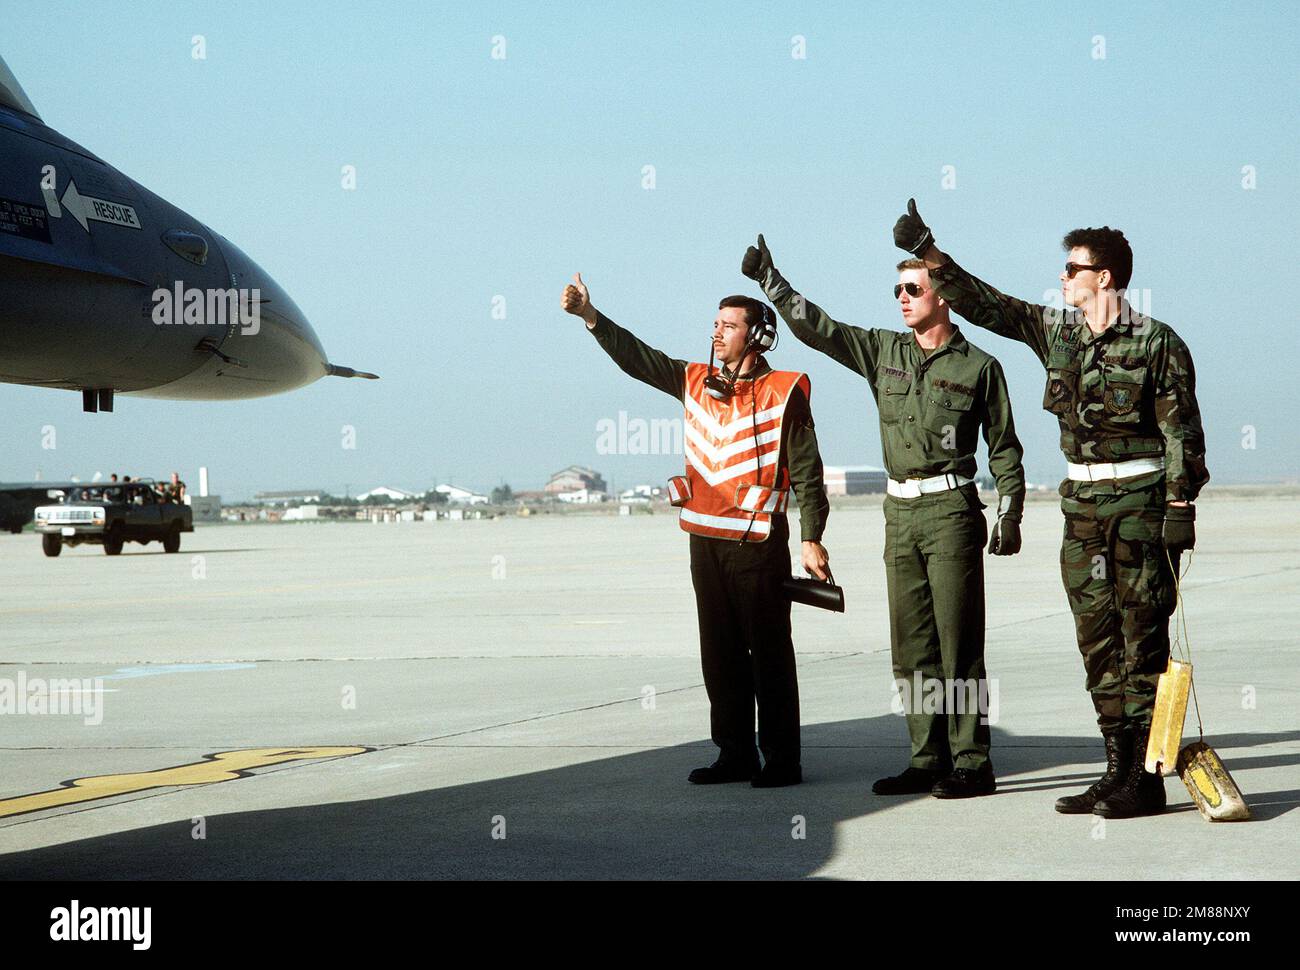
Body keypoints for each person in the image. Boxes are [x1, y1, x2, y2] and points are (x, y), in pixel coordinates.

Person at [892, 200, 1209, 818]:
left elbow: (1182, 433)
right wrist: (930, 251)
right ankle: (1116, 768)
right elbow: (990, 304)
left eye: (1073, 267)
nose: (1063, 277)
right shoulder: (1057, 331)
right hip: (1081, 509)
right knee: (1097, 643)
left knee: (1140, 641)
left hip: (1139, 507)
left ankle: (1147, 779)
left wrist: (1178, 506)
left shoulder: (1155, 342)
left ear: (1107, 278)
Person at [743, 236, 1026, 799]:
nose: (901, 297)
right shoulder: (883, 352)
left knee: (957, 644)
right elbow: (818, 329)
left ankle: (972, 761)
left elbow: (1005, 447)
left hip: (951, 511)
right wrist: (771, 282)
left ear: (941, 295)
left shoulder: (980, 367)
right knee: (912, 647)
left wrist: (1010, 510)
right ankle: (926, 757)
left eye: (912, 288)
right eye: (896, 289)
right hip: (899, 512)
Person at [561, 272, 831, 788]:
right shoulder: (692, 381)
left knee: (769, 654)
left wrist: (812, 536)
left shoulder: (784, 390)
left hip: (757, 542)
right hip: (704, 540)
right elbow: (639, 358)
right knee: (720, 652)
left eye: (728, 326)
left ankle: (781, 759)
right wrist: (591, 318)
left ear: (757, 336)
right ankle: (734, 754)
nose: (716, 333)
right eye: (714, 324)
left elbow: (809, 470)